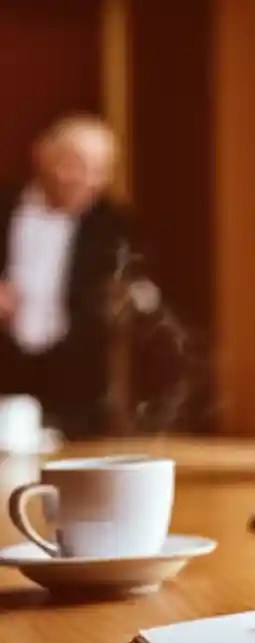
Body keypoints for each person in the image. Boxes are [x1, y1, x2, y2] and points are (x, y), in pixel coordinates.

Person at [0, 115, 129, 436]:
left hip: (75, 386)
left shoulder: (114, 225)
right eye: (75, 164)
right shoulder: (3, 206)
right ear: (42, 154)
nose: (86, 180)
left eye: (99, 170)